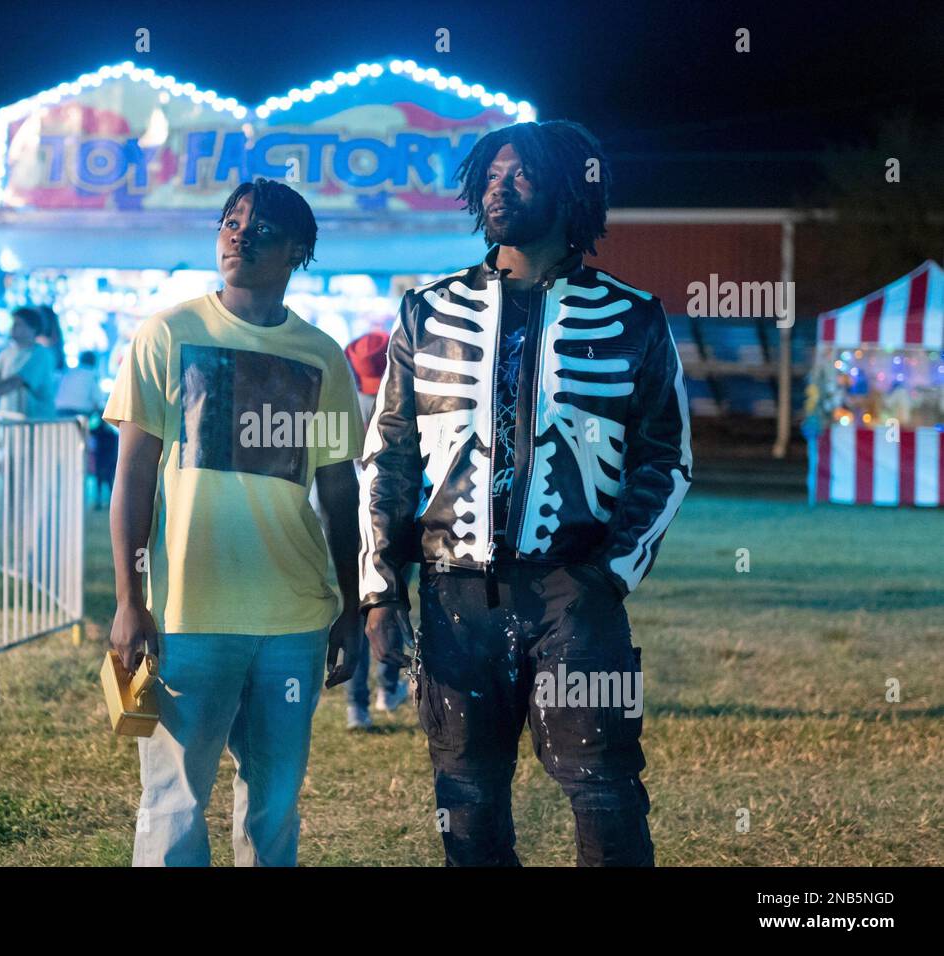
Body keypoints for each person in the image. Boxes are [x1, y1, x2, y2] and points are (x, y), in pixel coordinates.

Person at [360, 121, 693, 866]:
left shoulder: (634, 316)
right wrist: (381, 589)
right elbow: (389, 457)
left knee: (605, 788)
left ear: (569, 190)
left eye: (520, 175)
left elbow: (665, 460)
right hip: (453, 592)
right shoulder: (426, 310)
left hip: (576, 591)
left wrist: (609, 575)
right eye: (490, 175)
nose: (498, 189)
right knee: (466, 797)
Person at [104, 177, 365, 867]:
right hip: (189, 614)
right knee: (173, 803)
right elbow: (132, 477)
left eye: (262, 229)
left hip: (295, 619)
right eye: (231, 221)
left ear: (297, 252)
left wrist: (353, 605)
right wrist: (129, 601)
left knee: (276, 804)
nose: (240, 236)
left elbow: (340, 490)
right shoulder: (167, 335)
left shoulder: (322, 355)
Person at [343, 330, 409, 729]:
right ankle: (387, 688)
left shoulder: (339, 400)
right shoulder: (403, 400)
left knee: (356, 610)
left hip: (351, 522)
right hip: (392, 522)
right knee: (392, 600)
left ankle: (358, 706)